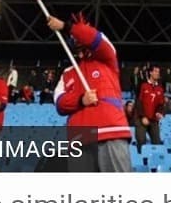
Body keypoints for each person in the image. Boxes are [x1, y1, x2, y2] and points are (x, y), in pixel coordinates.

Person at [48, 13, 132, 172]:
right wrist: (81, 100)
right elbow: (59, 103)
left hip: (110, 132)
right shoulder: (67, 73)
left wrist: (67, 27)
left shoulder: (107, 59)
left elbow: (96, 39)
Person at [135, 65, 165, 150]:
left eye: (158, 72)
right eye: (155, 71)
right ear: (150, 73)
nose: (157, 73)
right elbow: (138, 102)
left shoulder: (160, 89)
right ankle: (140, 160)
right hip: (141, 119)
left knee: (157, 142)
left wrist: (159, 112)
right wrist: (143, 116)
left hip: (153, 119)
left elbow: (161, 104)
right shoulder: (143, 85)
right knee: (141, 141)